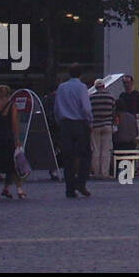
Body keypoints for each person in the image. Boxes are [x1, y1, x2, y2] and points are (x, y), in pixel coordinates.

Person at [53, 66, 93, 199]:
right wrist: (89, 120)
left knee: (68, 158)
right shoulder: (82, 87)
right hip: (80, 123)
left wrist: (59, 120)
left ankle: (69, 189)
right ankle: (81, 182)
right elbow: (86, 108)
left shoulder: (62, 87)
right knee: (85, 154)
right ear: (81, 74)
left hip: (65, 124)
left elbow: (57, 107)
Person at [89, 79, 116, 180]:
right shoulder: (110, 97)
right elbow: (113, 112)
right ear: (104, 86)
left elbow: (89, 112)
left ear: (95, 87)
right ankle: (105, 173)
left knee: (95, 150)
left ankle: (96, 173)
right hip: (107, 125)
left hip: (95, 126)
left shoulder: (91, 98)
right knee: (106, 150)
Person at [114, 75, 139, 153]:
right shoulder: (122, 95)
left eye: (127, 82)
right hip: (123, 123)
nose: (126, 85)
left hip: (134, 123)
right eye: (124, 83)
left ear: (132, 83)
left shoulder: (137, 95)